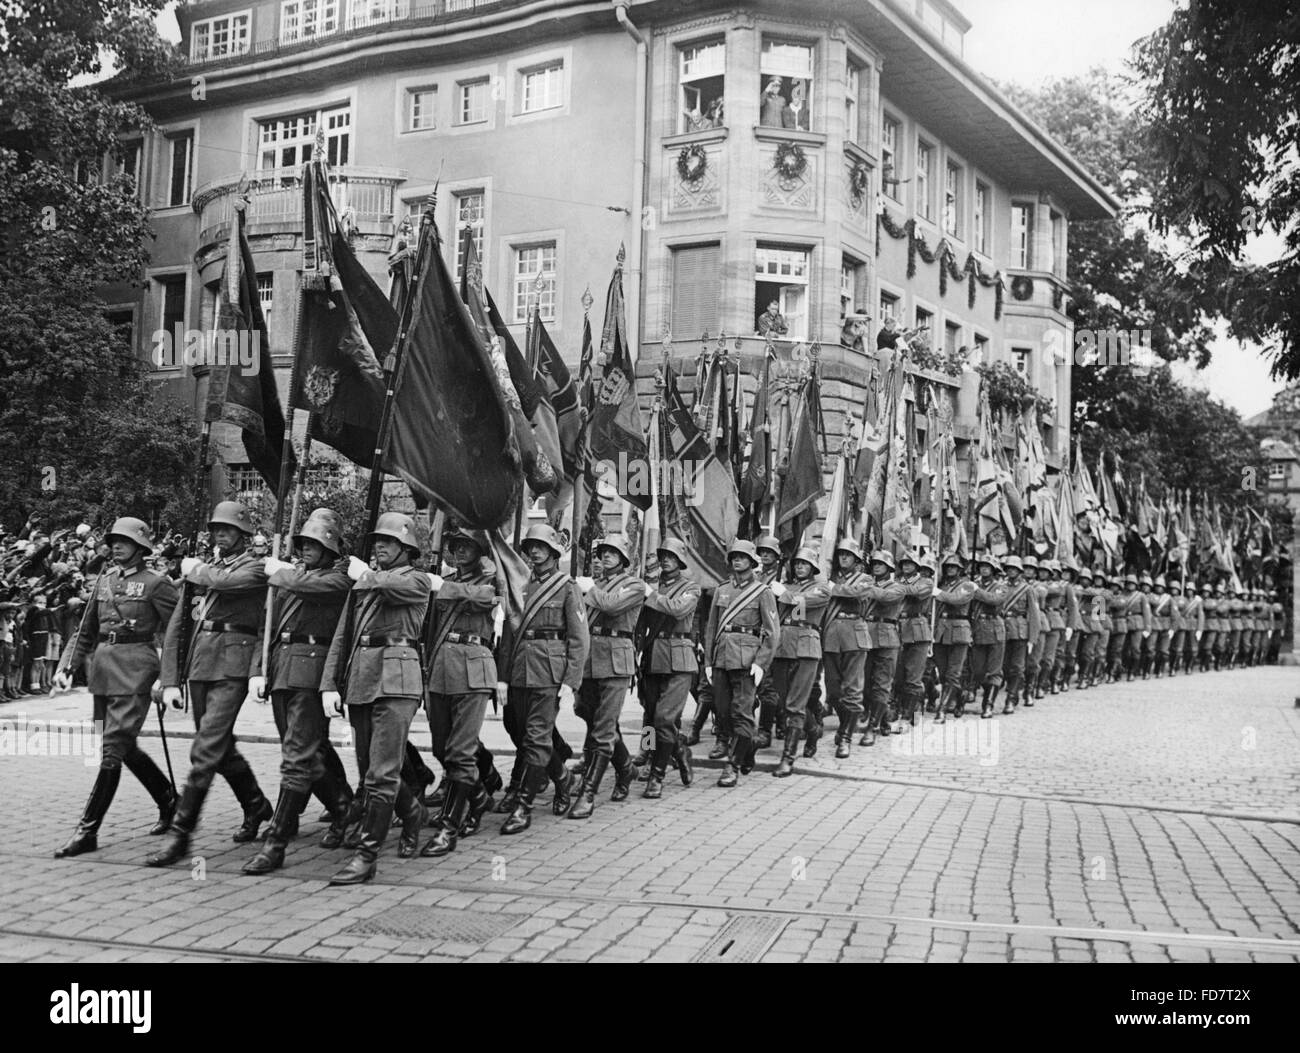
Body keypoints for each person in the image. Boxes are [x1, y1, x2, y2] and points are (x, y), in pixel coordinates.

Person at [149, 501, 274, 868]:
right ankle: (257, 805)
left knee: (204, 751)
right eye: (216, 528)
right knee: (219, 748)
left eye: (228, 528)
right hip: (201, 663)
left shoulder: (254, 566)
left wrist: (195, 569)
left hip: (233, 665)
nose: (221, 533)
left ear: (244, 533)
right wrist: (169, 677)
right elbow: (180, 624)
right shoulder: (204, 568)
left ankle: (181, 834)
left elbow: (228, 583)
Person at [52, 517, 179, 858]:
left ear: (141, 547)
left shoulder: (157, 583)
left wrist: (168, 680)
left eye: (124, 540)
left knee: (111, 749)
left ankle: (87, 830)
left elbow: (175, 631)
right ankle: (169, 800)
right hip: (103, 675)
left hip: (136, 673)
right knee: (118, 744)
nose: (116, 545)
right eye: (113, 540)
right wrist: (67, 667)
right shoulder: (104, 582)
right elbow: (84, 631)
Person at [319, 512, 431, 884]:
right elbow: (342, 635)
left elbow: (391, 588)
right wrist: (329, 684)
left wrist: (364, 575)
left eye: (388, 541)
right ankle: (412, 811)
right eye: (377, 541)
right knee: (371, 770)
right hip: (362, 676)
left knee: (382, 772)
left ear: (407, 547)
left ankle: (367, 855)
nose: (379, 546)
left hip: (398, 679)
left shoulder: (415, 579)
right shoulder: (365, 582)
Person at [240, 509, 354, 875]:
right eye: (302, 542)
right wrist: (259, 668)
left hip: (312, 670)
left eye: (314, 543)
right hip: (281, 670)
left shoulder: (337, 578)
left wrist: (281, 573)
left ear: (331, 547)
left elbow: (312, 587)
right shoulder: (291, 576)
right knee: (309, 750)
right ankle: (344, 807)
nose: (306, 548)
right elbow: (266, 626)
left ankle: (277, 841)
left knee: (296, 756)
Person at [494, 523, 589, 835]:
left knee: (536, 737)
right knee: (523, 734)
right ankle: (562, 778)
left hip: (549, 672)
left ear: (553, 550)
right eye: (530, 546)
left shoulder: (567, 586)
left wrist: (570, 681)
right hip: (520, 670)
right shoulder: (519, 586)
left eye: (540, 546)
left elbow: (579, 638)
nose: (534, 551)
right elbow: (509, 634)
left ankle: (524, 804)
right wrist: (503, 677)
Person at [419, 528, 500, 857]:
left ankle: (450, 825)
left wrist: (444, 588)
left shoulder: (493, 578)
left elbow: (486, 599)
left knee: (460, 751)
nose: (461, 550)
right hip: (440, 669)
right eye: (457, 545)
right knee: (441, 745)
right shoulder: (445, 578)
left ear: (480, 549)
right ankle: (478, 797)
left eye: (469, 545)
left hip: (473, 668)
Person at [571, 534, 645, 818]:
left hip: (616, 659)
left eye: (612, 553)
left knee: (603, 727)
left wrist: (589, 589)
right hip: (590, 659)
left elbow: (612, 605)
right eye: (602, 552)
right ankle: (625, 767)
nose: (605, 557)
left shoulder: (635, 585)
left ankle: (588, 792)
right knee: (585, 713)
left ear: (624, 559)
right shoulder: (593, 585)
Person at [703, 539, 779, 787]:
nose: (737, 560)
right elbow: (711, 627)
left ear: (752, 562)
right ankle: (747, 749)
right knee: (722, 711)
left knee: (741, 713)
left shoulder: (763, 592)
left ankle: (732, 765)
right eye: (734, 557)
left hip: (747, 661)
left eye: (742, 557)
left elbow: (772, 631)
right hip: (722, 658)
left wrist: (761, 662)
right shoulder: (722, 589)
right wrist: (708, 660)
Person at [637, 537, 700, 799]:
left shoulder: (691, 588)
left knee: (664, 719)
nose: (665, 560)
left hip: (679, 659)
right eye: (662, 556)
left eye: (671, 557)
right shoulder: (651, 586)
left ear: (680, 561)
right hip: (653, 658)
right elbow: (641, 624)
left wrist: (650, 594)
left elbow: (677, 609)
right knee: (651, 717)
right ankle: (669, 751)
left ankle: (657, 775)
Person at [769, 546, 828, 777]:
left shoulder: (821, 589)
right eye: (797, 563)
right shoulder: (787, 587)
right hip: (784, 645)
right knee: (784, 701)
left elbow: (802, 605)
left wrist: (782, 593)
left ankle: (787, 758)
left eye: (804, 563)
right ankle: (812, 729)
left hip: (806, 646)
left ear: (813, 567)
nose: (800, 566)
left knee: (795, 704)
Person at [822, 537, 870, 756]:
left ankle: (846, 738)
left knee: (852, 691)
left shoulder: (865, 579)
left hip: (854, 637)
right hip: (831, 638)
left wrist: (833, 588)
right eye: (841, 554)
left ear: (856, 559)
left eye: (848, 555)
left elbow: (858, 593)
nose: (843, 558)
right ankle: (844, 725)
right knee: (833, 691)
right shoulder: (829, 579)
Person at [858, 550, 906, 745]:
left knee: (881, 684)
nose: (876, 566)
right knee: (866, 685)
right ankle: (883, 718)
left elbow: (886, 597)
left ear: (889, 568)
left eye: (881, 564)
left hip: (887, 638)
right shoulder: (866, 583)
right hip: (866, 636)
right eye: (874, 563)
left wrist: (863, 587)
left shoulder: (898, 587)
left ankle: (873, 726)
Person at [891, 551, 933, 729]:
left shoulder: (926, 582)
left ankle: (908, 716)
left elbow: (916, 593)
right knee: (898, 675)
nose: (906, 566)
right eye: (904, 563)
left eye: (910, 563)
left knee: (913, 676)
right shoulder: (897, 582)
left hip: (917, 631)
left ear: (917, 566)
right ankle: (905, 708)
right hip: (898, 630)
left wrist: (894, 588)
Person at [932, 554, 976, 721]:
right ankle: (960, 696)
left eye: (954, 567)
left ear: (960, 569)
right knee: (943, 673)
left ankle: (941, 710)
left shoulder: (968, 585)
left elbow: (957, 600)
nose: (950, 569)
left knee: (953, 673)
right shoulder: (941, 584)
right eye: (948, 566)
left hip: (959, 631)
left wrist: (938, 593)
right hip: (941, 632)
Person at [753, 534, 784, 749]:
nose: (764, 556)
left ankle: (766, 731)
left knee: (769, 687)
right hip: (756, 637)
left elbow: (798, 610)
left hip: (774, 636)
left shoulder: (784, 576)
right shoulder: (756, 577)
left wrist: (784, 594)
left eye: (769, 553)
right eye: (762, 552)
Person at [968, 555, 1008, 718]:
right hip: (977, 630)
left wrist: (976, 591)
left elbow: (994, 600)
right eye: (982, 566)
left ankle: (988, 704)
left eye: (988, 566)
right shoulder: (973, 584)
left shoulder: (1000, 587)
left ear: (993, 570)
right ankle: (984, 696)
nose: (984, 569)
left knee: (994, 671)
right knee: (978, 670)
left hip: (995, 630)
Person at [998, 555, 1038, 716]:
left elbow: (1034, 614)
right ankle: (1014, 692)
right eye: (1009, 569)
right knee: (1005, 667)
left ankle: (1012, 697)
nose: (1011, 571)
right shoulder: (1001, 586)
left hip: (1020, 631)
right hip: (1003, 629)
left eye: (1014, 569)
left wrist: (1032, 638)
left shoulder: (1028, 589)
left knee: (1017, 667)